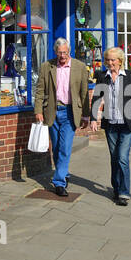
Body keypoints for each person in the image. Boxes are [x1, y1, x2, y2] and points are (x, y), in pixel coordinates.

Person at [34, 36, 91, 197]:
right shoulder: (47, 66)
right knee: (57, 147)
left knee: (65, 148)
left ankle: (59, 182)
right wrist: (38, 110)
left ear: (69, 51)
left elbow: (84, 93)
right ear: (55, 52)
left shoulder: (79, 67)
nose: (62, 56)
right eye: (59, 53)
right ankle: (63, 172)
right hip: (52, 111)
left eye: (65, 52)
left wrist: (86, 115)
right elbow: (40, 91)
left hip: (70, 112)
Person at [90, 46, 131, 205]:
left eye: (113, 60)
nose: (110, 62)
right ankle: (116, 187)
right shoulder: (102, 76)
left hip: (127, 124)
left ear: (120, 61)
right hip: (111, 124)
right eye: (107, 60)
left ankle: (124, 192)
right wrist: (93, 118)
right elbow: (96, 98)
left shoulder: (129, 76)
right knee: (114, 158)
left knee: (122, 157)